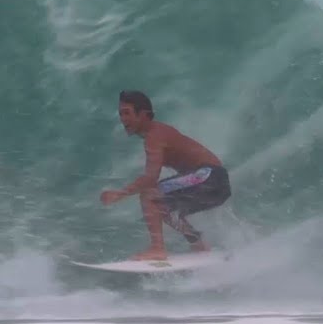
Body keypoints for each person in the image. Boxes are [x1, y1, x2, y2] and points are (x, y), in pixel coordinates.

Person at [99, 90, 231, 261]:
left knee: (149, 194)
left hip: (209, 175)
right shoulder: (157, 134)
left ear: (144, 115)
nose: (123, 119)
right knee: (164, 206)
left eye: (127, 113)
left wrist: (120, 194)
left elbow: (150, 179)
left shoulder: (155, 135)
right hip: (218, 185)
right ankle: (199, 246)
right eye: (120, 114)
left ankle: (157, 249)